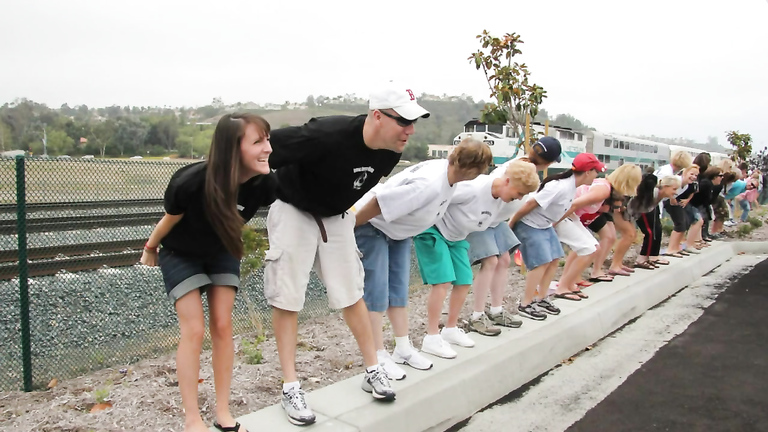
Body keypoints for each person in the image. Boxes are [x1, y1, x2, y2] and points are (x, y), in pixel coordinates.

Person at [263, 81, 430, 426]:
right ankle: (291, 388)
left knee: (353, 293)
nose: (410, 131)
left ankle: (373, 369)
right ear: (377, 116)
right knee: (288, 298)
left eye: (413, 122)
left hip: (337, 216)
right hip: (295, 210)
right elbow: (262, 151)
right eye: (403, 121)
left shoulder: (391, 150)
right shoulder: (325, 133)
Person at [141, 113, 276, 432]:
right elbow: (168, 221)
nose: (268, 148)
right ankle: (192, 420)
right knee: (194, 330)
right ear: (232, 149)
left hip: (222, 251)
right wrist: (150, 249)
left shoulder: (264, 183)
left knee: (223, 324)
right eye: (258, 141)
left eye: (267, 139)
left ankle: (222, 413)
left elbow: (299, 193)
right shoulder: (190, 182)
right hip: (181, 254)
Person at [351, 138, 492, 379]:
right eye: (480, 171)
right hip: (373, 226)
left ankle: (403, 348)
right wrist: (349, 226)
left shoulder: (449, 176)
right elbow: (379, 202)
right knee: (375, 293)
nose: (480, 176)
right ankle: (378, 355)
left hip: (399, 231)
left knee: (397, 290)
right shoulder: (429, 184)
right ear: (469, 169)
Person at [413, 158, 538, 357]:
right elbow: (437, 197)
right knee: (443, 281)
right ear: (507, 181)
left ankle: (450, 330)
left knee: (464, 281)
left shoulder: (500, 200)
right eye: (519, 193)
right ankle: (432, 337)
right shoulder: (473, 188)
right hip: (434, 230)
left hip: (457, 236)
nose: (519, 198)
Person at [465, 137, 562, 329]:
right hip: (482, 219)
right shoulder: (521, 169)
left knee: (504, 261)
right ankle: (477, 316)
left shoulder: (521, 164)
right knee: (491, 261)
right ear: (548, 162)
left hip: (496, 221)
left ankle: (496, 310)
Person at [509, 153, 603, 320]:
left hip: (544, 224)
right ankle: (526, 304)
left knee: (554, 259)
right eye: (596, 171)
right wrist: (512, 223)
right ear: (588, 172)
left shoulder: (571, 186)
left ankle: (542, 298)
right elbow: (531, 203)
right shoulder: (559, 186)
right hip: (530, 223)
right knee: (540, 263)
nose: (598, 175)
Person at [555, 163, 640, 298]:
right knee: (589, 248)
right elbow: (574, 204)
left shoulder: (606, 188)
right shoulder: (603, 190)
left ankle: (568, 284)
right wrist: (554, 223)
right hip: (563, 214)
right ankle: (563, 287)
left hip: (571, 215)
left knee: (589, 247)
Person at [629, 175, 680, 268]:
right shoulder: (652, 193)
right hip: (641, 209)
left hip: (647, 208)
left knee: (657, 230)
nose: (675, 192)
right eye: (674, 189)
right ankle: (641, 259)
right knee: (650, 233)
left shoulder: (660, 195)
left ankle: (651, 256)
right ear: (665, 187)